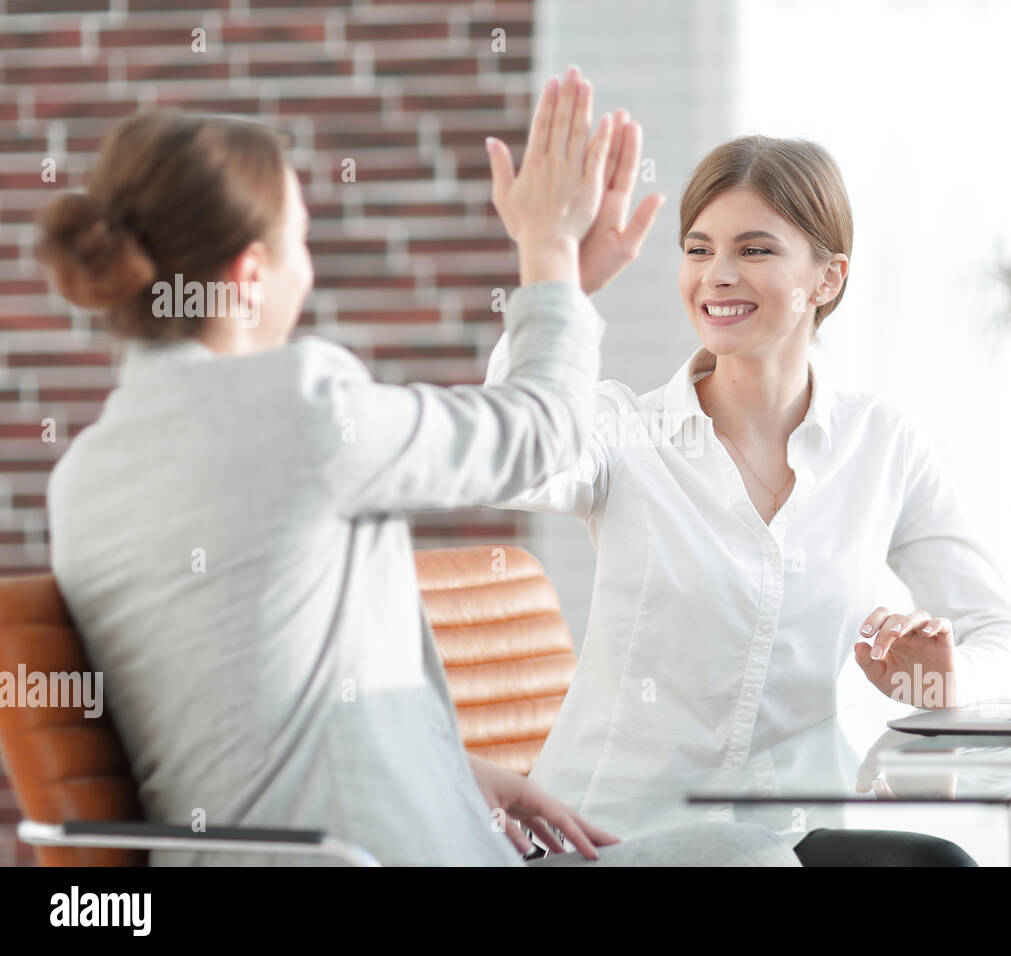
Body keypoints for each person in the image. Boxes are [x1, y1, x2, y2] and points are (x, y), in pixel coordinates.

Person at [37, 67, 798, 867]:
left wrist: (456, 770)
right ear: (250, 275)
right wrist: (548, 256)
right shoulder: (297, 402)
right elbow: (543, 436)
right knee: (751, 858)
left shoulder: (82, 476)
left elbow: (237, 703)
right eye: (302, 239)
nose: (311, 268)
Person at [483, 133, 1011, 866]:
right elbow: (510, 458)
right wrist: (559, 284)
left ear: (828, 279)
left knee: (936, 864)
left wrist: (948, 680)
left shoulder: (881, 443)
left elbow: (1009, 636)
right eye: (697, 249)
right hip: (608, 841)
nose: (717, 274)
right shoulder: (622, 431)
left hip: (790, 835)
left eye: (754, 250)